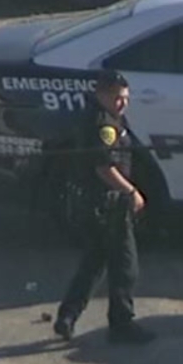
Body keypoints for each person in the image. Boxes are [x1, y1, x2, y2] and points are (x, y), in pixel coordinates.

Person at [52, 71, 156, 345]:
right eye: (117, 98)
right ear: (101, 94)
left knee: (94, 262)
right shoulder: (104, 125)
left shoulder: (102, 117)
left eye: (125, 98)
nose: (122, 103)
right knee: (125, 266)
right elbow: (103, 167)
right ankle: (122, 325)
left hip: (91, 203)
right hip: (108, 204)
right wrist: (131, 192)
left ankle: (68, 316)